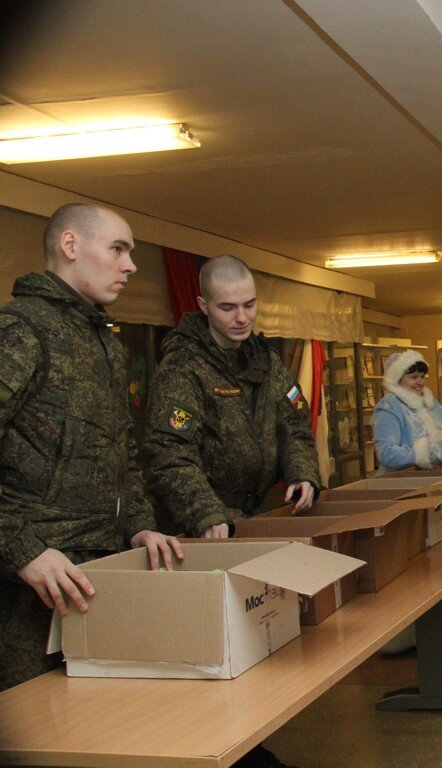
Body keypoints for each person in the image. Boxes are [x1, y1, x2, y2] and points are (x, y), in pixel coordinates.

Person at [0, 203, 183, 692]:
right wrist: (23, 550)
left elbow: (120, 450)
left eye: (132, 252)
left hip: (96, 570)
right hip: (29, 584)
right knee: (34, 725)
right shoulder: (21, 330)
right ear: (71, 246)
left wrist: (141, 524)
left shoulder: (101, 339)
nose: (131, 266)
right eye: (118, 249)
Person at [144, 254, 320, 538]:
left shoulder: (267, 361)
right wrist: (206, 513)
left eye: (249, 305)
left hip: (255, 516)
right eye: (228, 308)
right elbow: (169, 456)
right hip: (202, 527)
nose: (242, 318)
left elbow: (296, 427)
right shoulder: (183, 369)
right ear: (204, 306)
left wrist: (301, 473)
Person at [372, 349, 442, 472]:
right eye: (413, 377)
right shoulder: (388, 407)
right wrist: (428, 453)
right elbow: (386, 454)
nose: (420, 382)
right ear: (397, 379)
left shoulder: (430, 403)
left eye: (422, 376)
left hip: (433, 476)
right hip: (400, 481)